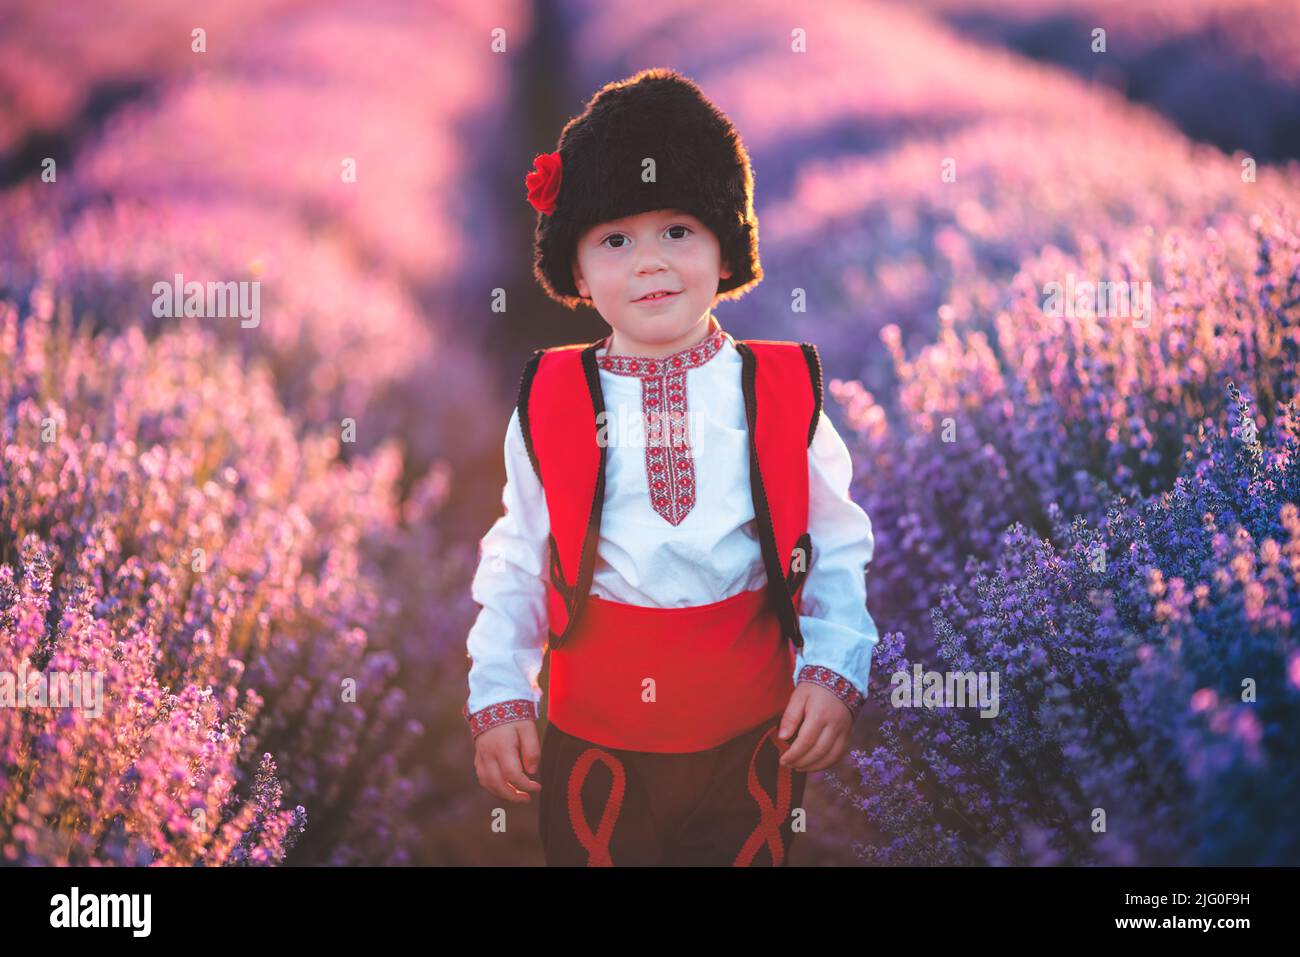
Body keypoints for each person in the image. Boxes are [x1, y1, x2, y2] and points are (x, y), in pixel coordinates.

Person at [462, 67, 879, 866]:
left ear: (728, 248)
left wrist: (832, 667)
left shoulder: (780, 387)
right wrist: (502, 691)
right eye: (616, 239)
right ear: (578, 275)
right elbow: (518, 550)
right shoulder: (551, 396)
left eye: (677, 231)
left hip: (750, 733)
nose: (649, 262)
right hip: (596, 738)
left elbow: (834, 542)